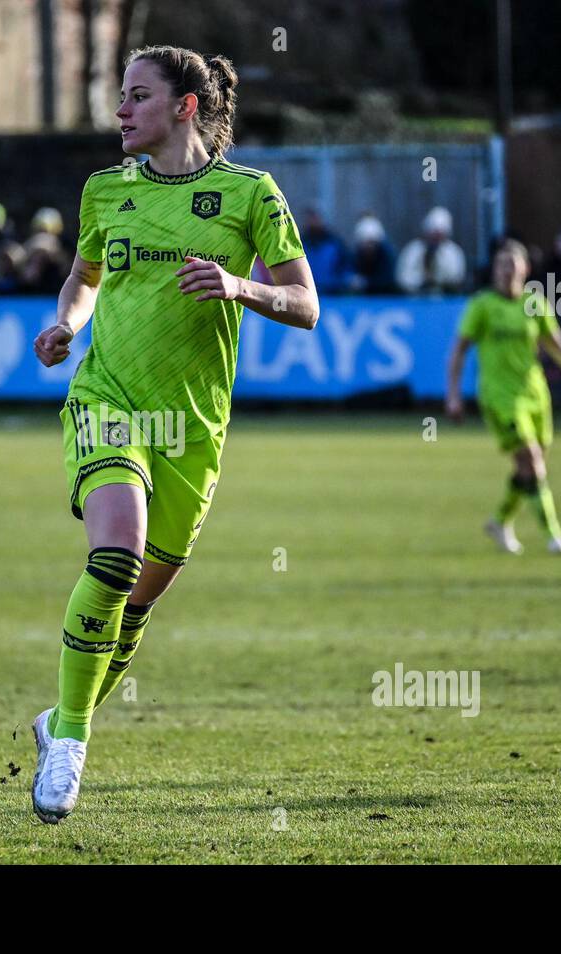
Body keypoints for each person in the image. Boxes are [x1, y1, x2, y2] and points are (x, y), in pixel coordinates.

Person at [28, 45, 318, 824]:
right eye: (119, 97)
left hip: (192, 427)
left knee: (135, 604)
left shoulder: (249, 193)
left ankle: (58, 717)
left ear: (186, 106)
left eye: (136, 96)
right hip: (109, 399)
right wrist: (65, 325)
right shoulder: (104, 191)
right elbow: (84, 278)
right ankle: (73, 742)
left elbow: (306, 304)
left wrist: (238, 286)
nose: (120, 111)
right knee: (115, 553)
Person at [445, 239, 561, 556]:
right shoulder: (482, 305)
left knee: (530, 467)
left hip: (535, 394)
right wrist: (454, 396)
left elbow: (555, 343)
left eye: (513, 265)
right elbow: (459, 352)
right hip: (500, 397)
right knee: (532, 460)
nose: (507, 271)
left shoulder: (534, 303)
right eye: (501, 265)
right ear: (494, 271)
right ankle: (554, 535)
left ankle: (499, 521)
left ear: (525, 269)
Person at [396, 206, 466, 294]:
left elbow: (456, 277)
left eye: (439, 234)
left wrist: (436, 279)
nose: (436, 237)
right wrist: (422, 279)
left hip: (446, 299)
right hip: (415, 299)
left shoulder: (453, 252)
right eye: (433, 233)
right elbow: (403, 278)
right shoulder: (413, 250)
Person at [300, 208, 350, 294]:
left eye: (315, 218)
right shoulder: (300, 243)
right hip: (308, 292)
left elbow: (346, 268)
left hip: (332, 294)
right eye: (310, 219)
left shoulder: (335, 243)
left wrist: (339, 283)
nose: (313, 222)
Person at [346, 215, 396, 295]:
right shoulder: (354, 257)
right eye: (366, 243)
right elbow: (347, 273)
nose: (369, 247)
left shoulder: (387, 258)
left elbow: (387, 280)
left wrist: (367, 283)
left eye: (372, 243)